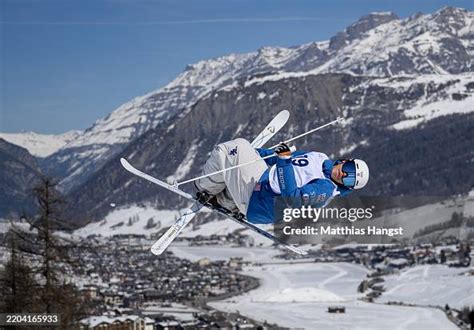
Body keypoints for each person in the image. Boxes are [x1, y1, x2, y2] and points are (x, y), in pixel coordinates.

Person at [194, 138, 369, 224]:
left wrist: (284, 161)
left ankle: (205, 188)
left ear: (348, 188)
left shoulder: (325, 190)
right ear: (346, 161)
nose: (344, 176)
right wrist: (254, 154)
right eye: (349, 171)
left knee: (229, 149)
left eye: (349, 180)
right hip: (261, 183)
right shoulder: (318, 157)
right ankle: (227, 200)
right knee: (240, 150)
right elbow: (275, 159)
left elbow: (293, 199)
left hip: (259, 203)